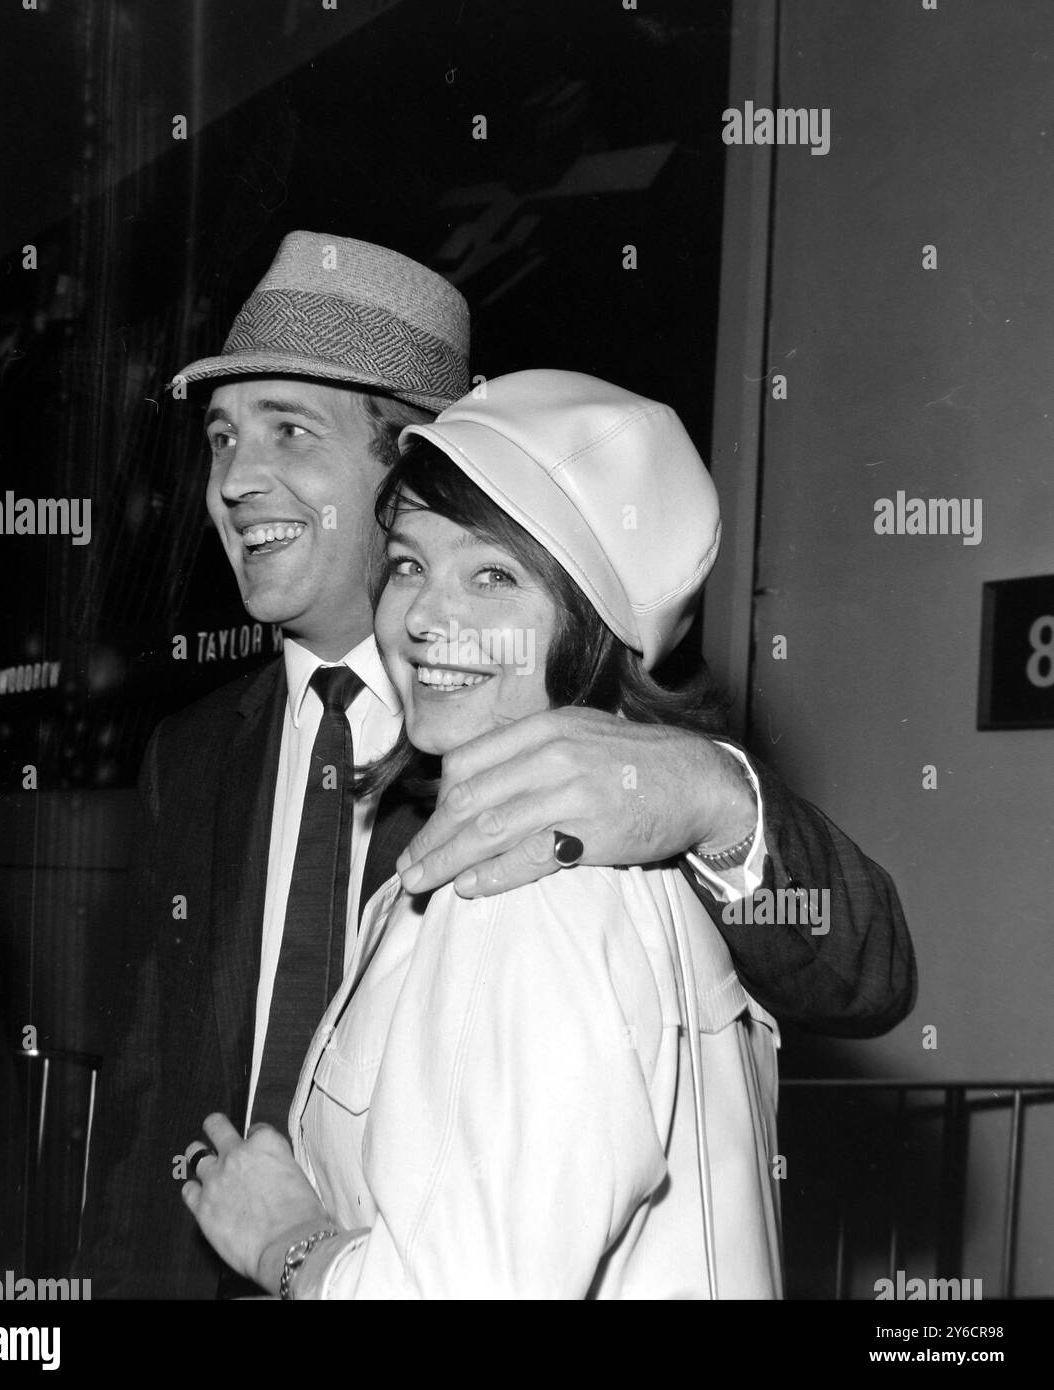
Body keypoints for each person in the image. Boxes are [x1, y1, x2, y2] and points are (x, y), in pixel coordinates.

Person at [76, 232, 914, 1299]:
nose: (237, 479)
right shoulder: (189, 752)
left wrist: (709, 798)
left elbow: (867, 970)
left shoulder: (583, 779)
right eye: (221, 435)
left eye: (289, 430)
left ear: (420, 458)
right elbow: (151, 1099)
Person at [180, 370, 789, 1298]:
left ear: (587, 630)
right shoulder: (520, 861)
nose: (424, 617)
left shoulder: (528, 893)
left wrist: (285, 1244)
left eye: (494, 576)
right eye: (410, 565)